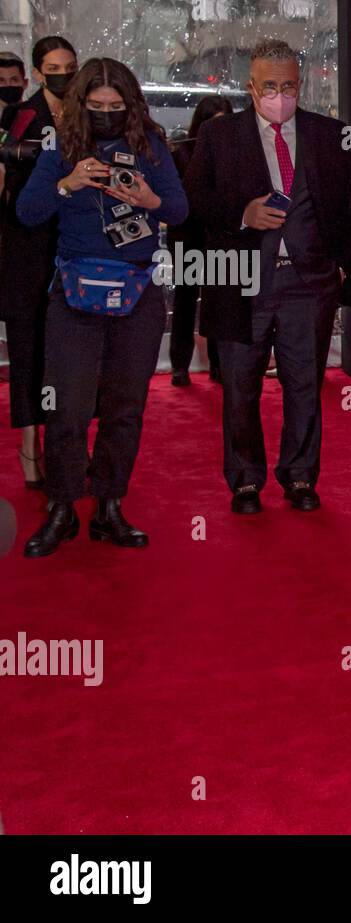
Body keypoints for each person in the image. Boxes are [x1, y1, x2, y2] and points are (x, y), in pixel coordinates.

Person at [185, 38, 351, 515]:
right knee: (241, 386)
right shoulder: (219, 137)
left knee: (305, 383)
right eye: (270, 86)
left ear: (299, 85)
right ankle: (245, 481)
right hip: (240, 279)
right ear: (250, 87)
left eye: (288, 86)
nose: (280, 95)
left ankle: (301, 476)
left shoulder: (331, 135)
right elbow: (193, 205)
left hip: (308, 284)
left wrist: (342, 264)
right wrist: (242, 214)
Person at [17, 57, 188, 557]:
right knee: (66, 407)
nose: (106, 114)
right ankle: (63, 507)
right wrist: (67, 183)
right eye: (96, 106)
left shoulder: (151, 147)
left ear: (130, 105)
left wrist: (149, 198)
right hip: (73, 291)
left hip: (136, 292)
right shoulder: (59, 147)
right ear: (80, 104)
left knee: (125, 407)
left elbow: (179, 211)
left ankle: (110, 506)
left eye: (116, 106)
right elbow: (27, 212)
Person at [0, 36, 77, 490]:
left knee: (72, 353)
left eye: (69, 65)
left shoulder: (87, 113)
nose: (62, 73)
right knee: (29, 352)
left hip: (74, 244)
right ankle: (31, 446)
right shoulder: (21, 115)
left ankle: (68, 446)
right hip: (27, 246)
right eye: (54, 67)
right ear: (39, 71)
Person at [167, 94, 232, 386]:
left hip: (218, 238)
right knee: (185, 301)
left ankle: (219, 365)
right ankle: (179, 365)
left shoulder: (236, 154)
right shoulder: (181, 151)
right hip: (188, 237)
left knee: (218, 302)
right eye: (212, 124)